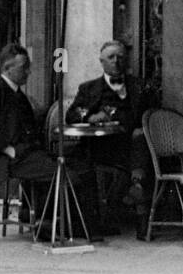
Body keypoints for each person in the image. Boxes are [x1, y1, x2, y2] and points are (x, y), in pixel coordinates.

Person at [0, 42, 100, 240]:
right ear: (7, 68)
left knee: (81, 165)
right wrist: (7, 149)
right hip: (3, 159)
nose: (28, 72)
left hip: (25, 153)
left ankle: (82, 225)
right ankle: (52, 225)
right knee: (60, 172)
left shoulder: (18, 94)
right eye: (24, 67)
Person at [64, 39, 155, 232]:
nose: (116, 61)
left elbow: (151, 114)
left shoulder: (139, 86)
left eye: (120, 57)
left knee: (140, 140)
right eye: (111, 57)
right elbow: (71, 115)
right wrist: (90, 117)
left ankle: (129, 199)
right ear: (101, 61)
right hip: (99, 147)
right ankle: (134, 192)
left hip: (128, 144)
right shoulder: (88, 89)